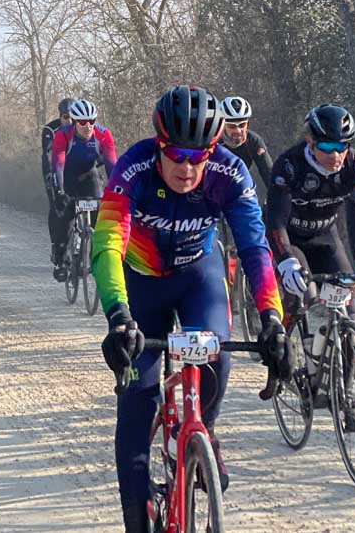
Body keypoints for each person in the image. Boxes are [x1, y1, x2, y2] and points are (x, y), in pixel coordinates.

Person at [93, 86, 290, 533]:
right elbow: (106, 241)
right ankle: (136, 518)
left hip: (197, 275)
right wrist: (117, 314)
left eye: (199, 155)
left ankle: (204, 433)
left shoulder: (230, 172)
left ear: (213, 149)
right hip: (141, 280)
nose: (187, 166)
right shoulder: (134, 167)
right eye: (177, 154)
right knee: (136, 402)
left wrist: (272, 318)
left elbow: (255, 248)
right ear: (160, 145)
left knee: (217, 356)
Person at [267, 105, 355, 320]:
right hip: (292, 239)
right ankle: (282, 343)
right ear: (310, 141)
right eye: (327, 146)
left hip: (326, 238)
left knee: (351, 304)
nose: (335, 155)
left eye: (341, 145)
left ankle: (345, 349)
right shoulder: (289, 165)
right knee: (303, 295)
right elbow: (275, 220)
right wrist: (286, 259)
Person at [49, 99, 117, 281]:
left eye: (92, 121)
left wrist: (117, 192)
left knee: (100, 215)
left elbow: (112, 166)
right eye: (82, 122)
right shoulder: (63, 135)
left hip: (89, 175)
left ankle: (96, 256)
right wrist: (60, 191)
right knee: (66, 215)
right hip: (68, 176)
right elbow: (58, 165)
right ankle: (62, 261)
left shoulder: (103, 135)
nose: (87, 126)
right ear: (73, 121)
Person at [42, 98, 75, 271]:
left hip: (75, 171)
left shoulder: (81, 128)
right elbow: (47, 154)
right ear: (59, 116)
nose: (69, 121)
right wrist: (50, 175)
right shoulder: (50, 129)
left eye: (72, 117)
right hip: (54, 170)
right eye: (65, 117)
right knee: (58, 207)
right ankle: (58, 245)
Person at [220, 96, 273, 189]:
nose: (238, 130)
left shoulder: (253, 141)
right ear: (222, 125)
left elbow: (268, 172)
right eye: (232, 126)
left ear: (247, 124)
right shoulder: (213, 140)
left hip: (239, 189)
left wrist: (275, 196)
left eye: (242, 125)